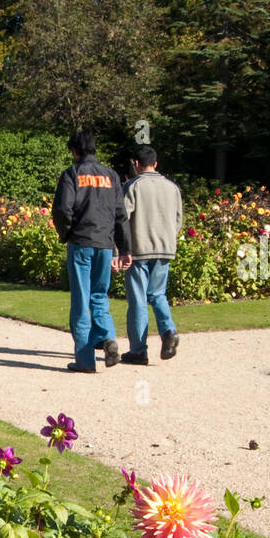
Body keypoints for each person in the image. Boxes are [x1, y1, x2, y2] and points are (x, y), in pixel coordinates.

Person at [51, 130, 132, 373]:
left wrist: (65, 234)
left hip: (81, 243)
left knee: (80, 299)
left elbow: (62, 210)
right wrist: (124, 248)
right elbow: (121, 215)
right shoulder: (111, 175)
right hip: (105, 244)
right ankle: (107, 338)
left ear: (74, 151)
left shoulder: (72, 174)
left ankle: (85, 360)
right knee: (99, 295)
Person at [120, 146, 183, 365]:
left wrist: (120, 250)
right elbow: (178, 219)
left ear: (136, 164)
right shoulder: (172, 187)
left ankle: (138, 350)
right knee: (158, 294)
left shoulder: (132, 186)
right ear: (155, 164)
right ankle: (168, 330)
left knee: (137, 299)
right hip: (165, 248)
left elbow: (122, 220)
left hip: (139, 249)